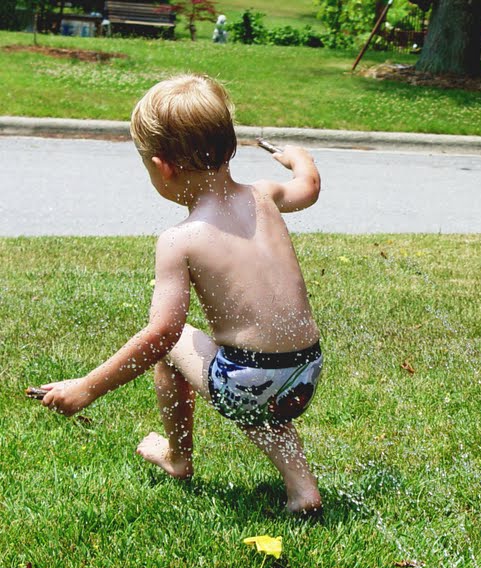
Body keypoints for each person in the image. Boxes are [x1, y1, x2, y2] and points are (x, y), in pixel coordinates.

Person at [38, 74, 324, 516]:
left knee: (177, 352)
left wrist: (86, 388)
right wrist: (300, 160)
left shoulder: (180, 239)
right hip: (304, 372)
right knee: (261, 392)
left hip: (250, 384)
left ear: (163, 166)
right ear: (229, 145)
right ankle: (302, 490)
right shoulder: (265, 196)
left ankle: (178, 457)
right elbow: (309, 188)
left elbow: (162, 333)